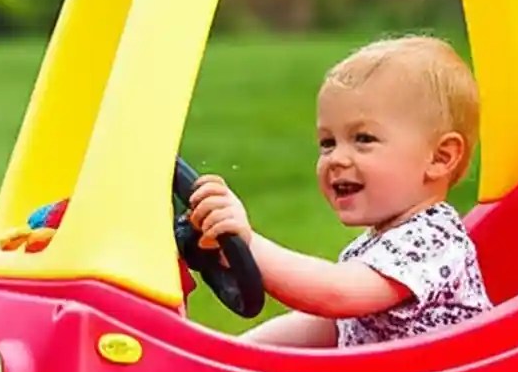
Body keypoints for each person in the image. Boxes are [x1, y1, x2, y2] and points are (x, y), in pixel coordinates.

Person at [187, 35, 492, 348]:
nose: (336, 159)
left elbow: (335, 295)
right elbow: (333, 325)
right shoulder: (378, 245)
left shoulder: (433, 241)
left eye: (363, 138)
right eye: (327, 143)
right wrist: (240, 353)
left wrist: (252, 246)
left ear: (440, 158)